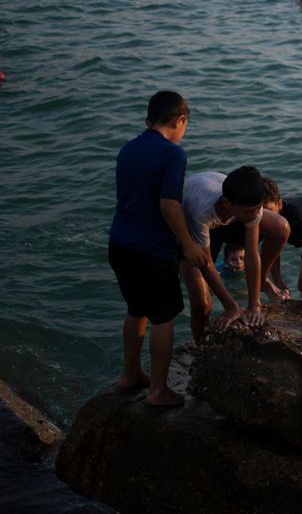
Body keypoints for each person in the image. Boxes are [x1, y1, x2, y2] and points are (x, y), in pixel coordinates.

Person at [107, 91, 217, 409]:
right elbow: (168, 204)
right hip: (151, 249)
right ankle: (158, 390)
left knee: (135, 309)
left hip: (119, 243)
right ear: (179, 120)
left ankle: (130, 374)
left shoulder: (127, 149)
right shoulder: (172, 154)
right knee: (164, 316)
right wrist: (187, 244)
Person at [180, 167, 289, 341]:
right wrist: (231, 307)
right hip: (192, 227)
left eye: (257, 209)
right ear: (226, 203)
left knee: (280, 227)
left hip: (230, 219)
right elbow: (206, 264)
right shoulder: (201, 211)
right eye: (248, 211)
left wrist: (254, 305)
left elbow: (251, 254)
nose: (254, 215)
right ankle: (199, 347)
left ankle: (263, 281)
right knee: (202, 302)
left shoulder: (251, 206)